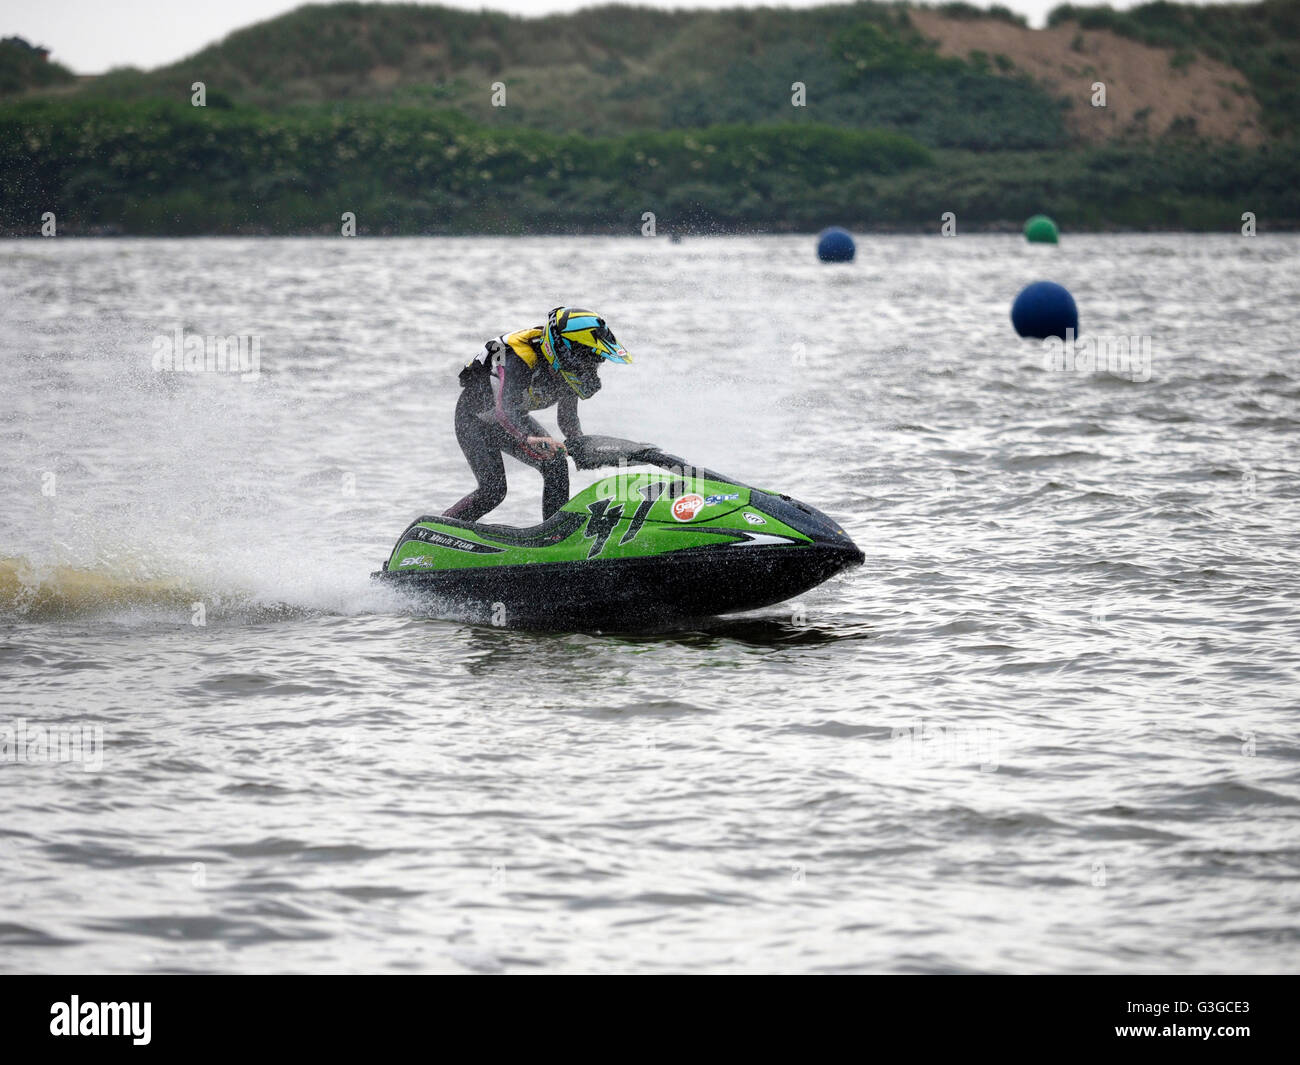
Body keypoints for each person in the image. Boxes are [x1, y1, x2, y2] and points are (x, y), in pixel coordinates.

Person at [443, 306, 631, 523]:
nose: (591, 366)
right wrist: (527, 439)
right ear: (565, 350)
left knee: (556, 462)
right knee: (492, 492)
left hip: (511, 419)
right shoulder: (519, 357)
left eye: (596, 361)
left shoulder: (567, 373)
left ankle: (553, 538)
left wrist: (581, 446)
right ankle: (434, 537)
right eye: (587, 358)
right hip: (474, 420)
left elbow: (567, 419)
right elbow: (505, 409)